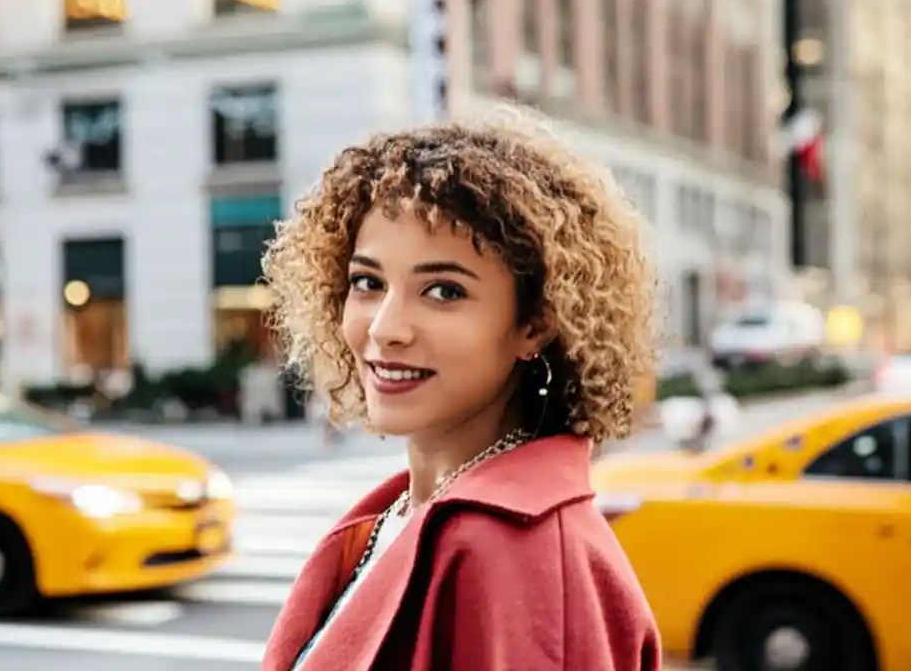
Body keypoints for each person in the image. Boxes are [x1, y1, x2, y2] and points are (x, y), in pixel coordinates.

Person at [260, 111, 663, 670]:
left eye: (443, 291)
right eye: (368, 283)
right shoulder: (406, 514)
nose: (384, 328)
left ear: (535, 324)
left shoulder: (520, 553)